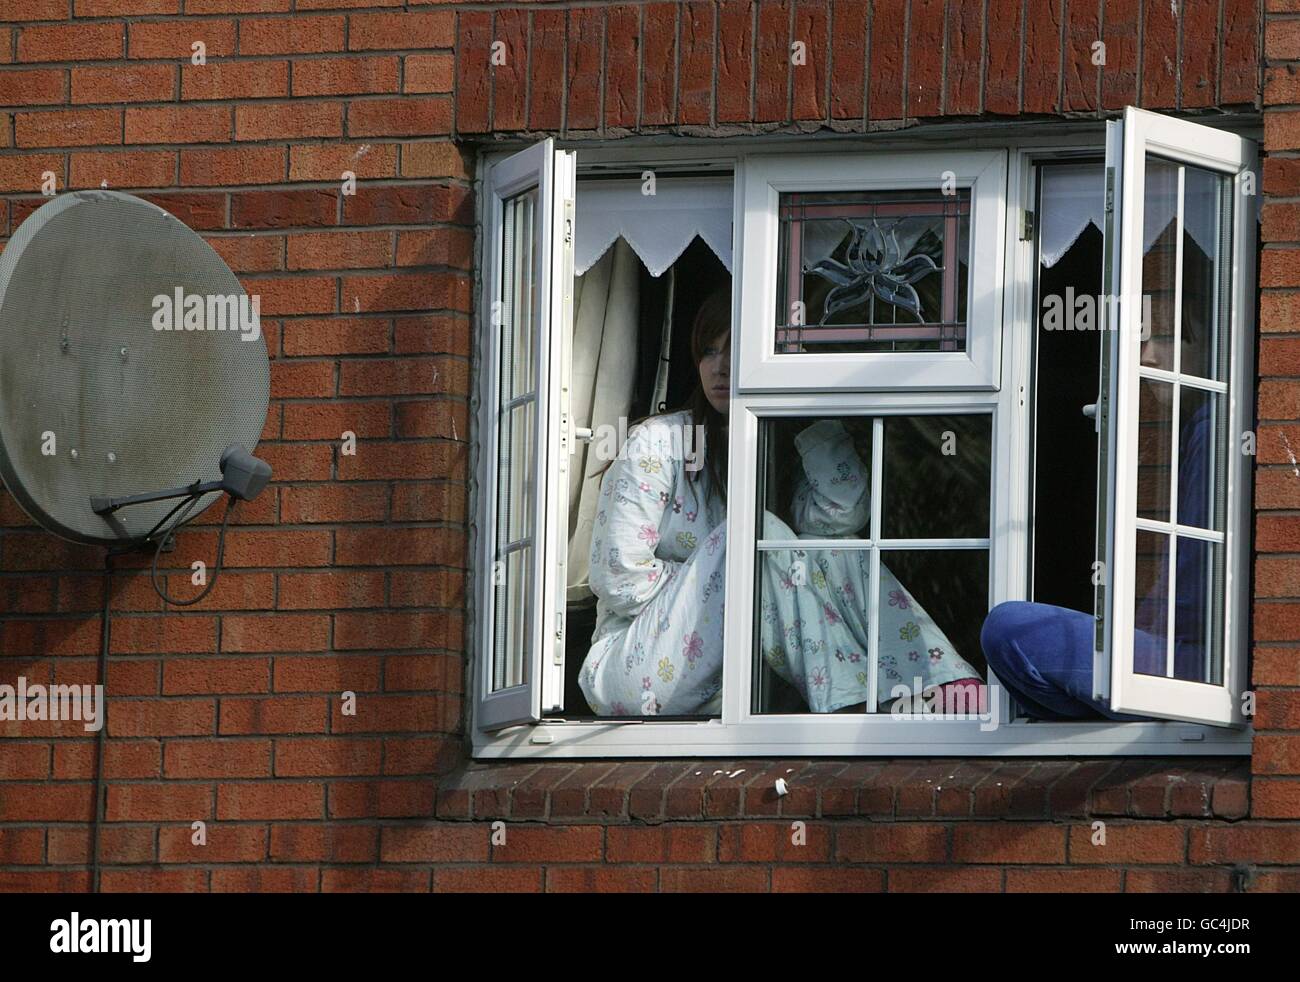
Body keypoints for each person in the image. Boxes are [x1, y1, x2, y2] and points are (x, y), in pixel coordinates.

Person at [578, 288, 983, 716]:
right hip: (635, 667)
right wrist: (725, 579)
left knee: (834, 549)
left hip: (734, 680)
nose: (721, 367)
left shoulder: (772, 447)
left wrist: (810, 418)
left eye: (739, 351)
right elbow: (620, 579)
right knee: (756, 537)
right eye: (709, 351)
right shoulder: (659, 441)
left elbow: (839, 515)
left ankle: (940, 681)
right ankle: (848, 700)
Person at [982, 278, 1217, 719]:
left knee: (1008, 626)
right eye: (1143, 339)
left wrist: (1129, 650)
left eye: (1166, 336)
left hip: (1197, 674)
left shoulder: (1214, 431)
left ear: (1211, 345)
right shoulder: (1203, 430)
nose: (1146, 355)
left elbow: (1193, 593)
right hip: (1193, 666)